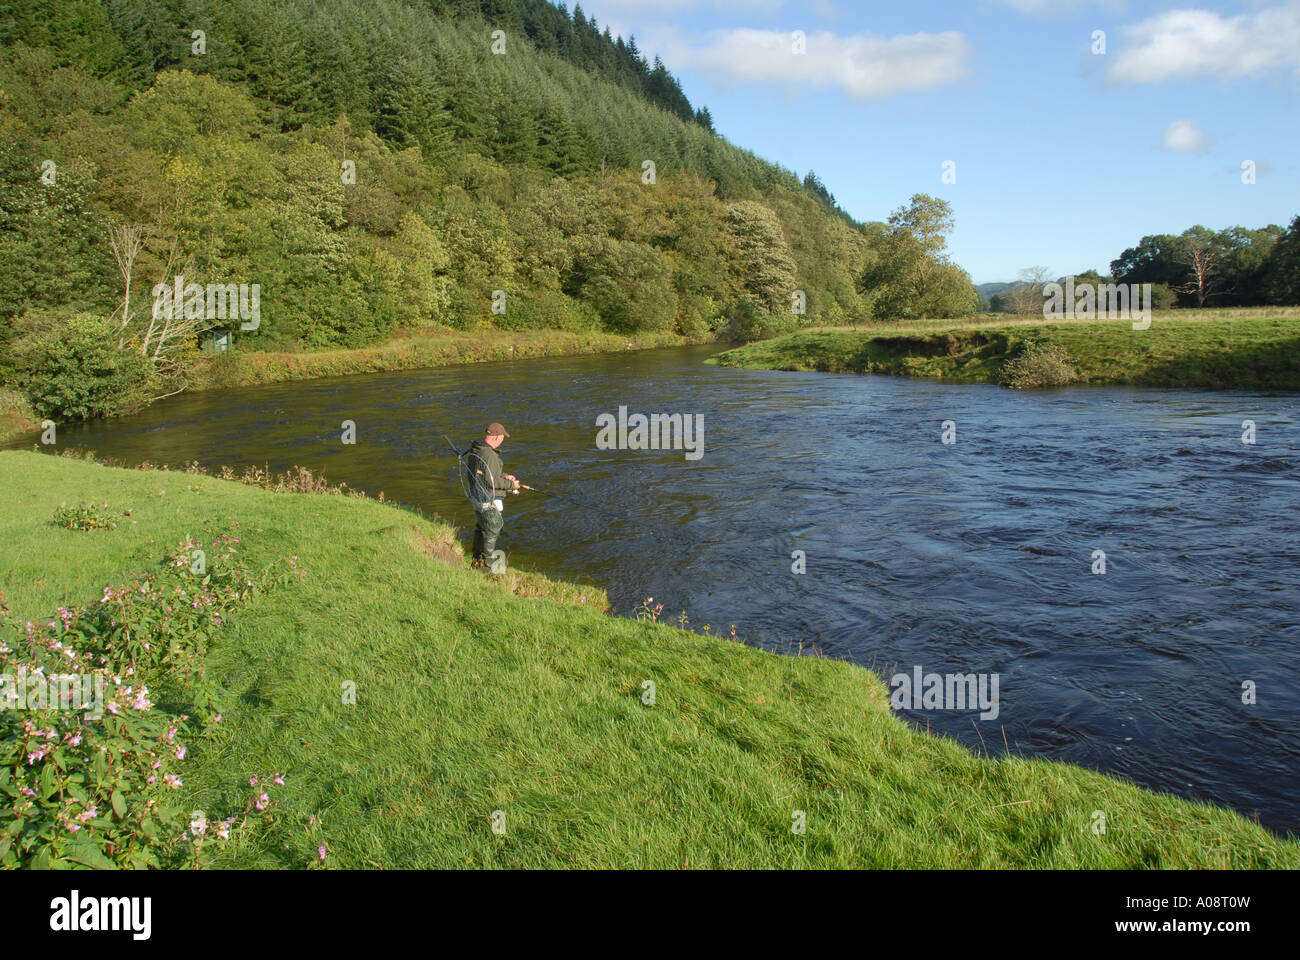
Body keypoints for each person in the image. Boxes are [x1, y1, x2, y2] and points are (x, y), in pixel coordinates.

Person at [464, 421, 520, 569]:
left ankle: (477, 559)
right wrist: (511, 485)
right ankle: (488, 565)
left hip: (476, 495)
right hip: (487, 498)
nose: (503, 440)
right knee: (493, 527)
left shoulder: (477, 449)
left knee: (482, 527)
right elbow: (492, 481)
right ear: (496, 437)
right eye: (502, 437)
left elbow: (487, 474)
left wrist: (505, 476)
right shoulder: (489, 454)